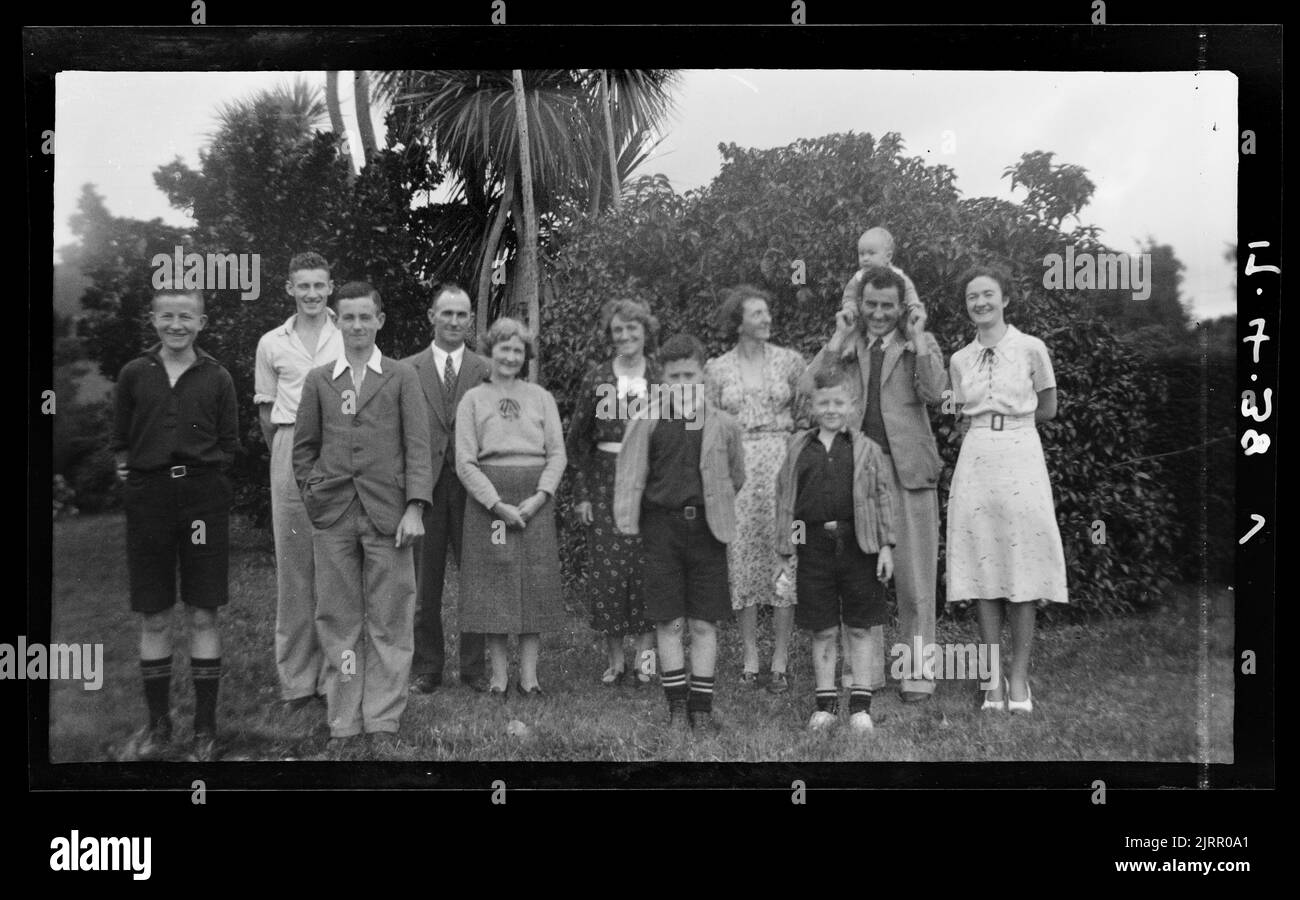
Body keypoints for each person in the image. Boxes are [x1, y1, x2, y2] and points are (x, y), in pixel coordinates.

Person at [293, 282, 433, 751]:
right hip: (333, 515)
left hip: (388, 516)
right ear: (338, 320)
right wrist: (314, 496)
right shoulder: (319, 379)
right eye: (347, 317)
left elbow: (418, 446)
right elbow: (304, 449)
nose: (356, 326)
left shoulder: (400, 377)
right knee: (338, 618)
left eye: (364, 317)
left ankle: (383, 719)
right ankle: (345, 720)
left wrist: (414, 506)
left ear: (380, 320)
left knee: (390, 618)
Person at [800, 265, 946, 703]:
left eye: (887, 306)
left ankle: (917, 673)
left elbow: (936, 393)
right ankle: (866, 674)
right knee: (862, 576)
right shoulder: (847, 345)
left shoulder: (920, 342)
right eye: (871, 305)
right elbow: (806, 391)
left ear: (902, 307)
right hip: (856, 472)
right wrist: (836, 339)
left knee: (915, 578)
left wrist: (919, 340)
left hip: (909, 474)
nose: (879, 313)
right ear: (858, 306)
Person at [113, 284, 239, 761]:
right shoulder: (133, 374)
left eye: (187, 316)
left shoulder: (217, 376)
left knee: (205, 611)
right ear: (153, 319)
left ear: (201, 323)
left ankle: (205, 729)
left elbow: (228, 442)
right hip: (149, 498)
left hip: (203, 498)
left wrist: (201, 476)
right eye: (168, 316)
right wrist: (134, 468)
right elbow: (121, 439)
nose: (177, 325)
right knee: (155, 613)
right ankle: (158, 726)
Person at [947, 265, 1068, 713]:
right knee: (984, 565)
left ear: (1005, 300)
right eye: (972, 297)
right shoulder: (959, 359)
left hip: (1022, 453)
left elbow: (1049, 407)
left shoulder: (1031, 348)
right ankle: (991, 677)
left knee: (1022, 563)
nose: (980, 303)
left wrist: (1012, 424)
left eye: (988, 294)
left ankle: (1019, 678)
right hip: (977, 456)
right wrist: (988, 430)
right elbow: (961, 413)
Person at [614, 335, 746, 732]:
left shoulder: (723, 424)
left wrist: (714, 503)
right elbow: (630, 474)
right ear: (662, 379)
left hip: (707, 530)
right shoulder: (647, 421)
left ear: (703, 375)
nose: (683, 383)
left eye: (690, 374)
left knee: (704, 623)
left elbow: (735, 477)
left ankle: (701, 708)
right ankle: (675, 707)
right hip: (661, 530)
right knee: (669, 622)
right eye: (675, 376)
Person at [775, 369, 894, 733]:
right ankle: (824, 703)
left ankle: (860, 704)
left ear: (851, 406)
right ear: (811, 406)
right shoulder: (797, 450)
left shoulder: (866, 449)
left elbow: (883, 499)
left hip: (859, 547)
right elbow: (786, 503)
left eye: (838, 402)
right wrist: (786, 551)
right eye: (823, 402)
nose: (830, 409)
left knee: (858, 627)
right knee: (823, 629)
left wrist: (886, 547)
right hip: (813, 549)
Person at [455, 318, 567, 697]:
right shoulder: (472, 399)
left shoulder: (541, 398)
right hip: (491, 503)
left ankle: (530, 678)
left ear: (526, 356)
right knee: (495, 585)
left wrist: (540, 497)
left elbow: (557, 454)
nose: (510, 356)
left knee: (534, 584)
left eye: (518, 350)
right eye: (504, 348)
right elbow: (465, 461)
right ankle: (500, 678)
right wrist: (496, 504)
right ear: (490, 352)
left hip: (534, 497)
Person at [704, 285, 807, 694]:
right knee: (740, 558)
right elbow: (709, 423)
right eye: (758, 313)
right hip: (738, 469)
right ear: (739, 321)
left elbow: (806, 413)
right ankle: (750, 657)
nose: (766, 319)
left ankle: (780, 660)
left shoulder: (791, 361)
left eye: (767, 312)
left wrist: (796, 456)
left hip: (782, 463)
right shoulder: (717, 368)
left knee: (785, 555)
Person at [253, 251, 343, 710]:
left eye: (319, 285)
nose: (311, 293)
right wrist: (289, 455)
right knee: (294, 571)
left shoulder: (347, 334)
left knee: (336, 565)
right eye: (302, 286)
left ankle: (333, 679)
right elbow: (267, 413)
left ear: (330, 287)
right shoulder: (272, 343)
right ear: (289, 288)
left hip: (339, 448)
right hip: (289, 449)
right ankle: (296, 682)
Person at [401, 283, 492, 695]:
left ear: (470, 320)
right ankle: (428, 667)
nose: (454, 321)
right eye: (447, 313)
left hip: (473, 487)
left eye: (462, 315)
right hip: (426, 487)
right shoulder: (406, 369)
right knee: (425, 584)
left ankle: (473, 668)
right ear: (431, 316)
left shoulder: (487, 370)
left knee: (476, 580)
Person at [566, 299, 660, 686]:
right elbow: (577, 441)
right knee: (609, 570)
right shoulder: (598, 378)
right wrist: (583, 494)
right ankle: (616, 660)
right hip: (605, 480)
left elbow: (681, 430)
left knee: (648, 570)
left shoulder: (660, 376)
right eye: (618, 330)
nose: (625, 336)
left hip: (651, 482)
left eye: (632, 328)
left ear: (645, 331)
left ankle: (647, 661)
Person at [837, 227, 923, 362]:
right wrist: (850, 308)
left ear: (888, 256)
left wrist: (914, 306)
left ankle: (912, 341)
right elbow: (849, 295)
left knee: (907, 322)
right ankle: (850, 347)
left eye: (871, 253)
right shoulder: (859, 277)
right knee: (854, 326)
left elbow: (909, 291)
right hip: (864, 316)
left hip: (894, 318)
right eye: (861, 254)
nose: (865, 259)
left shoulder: (897, 275)